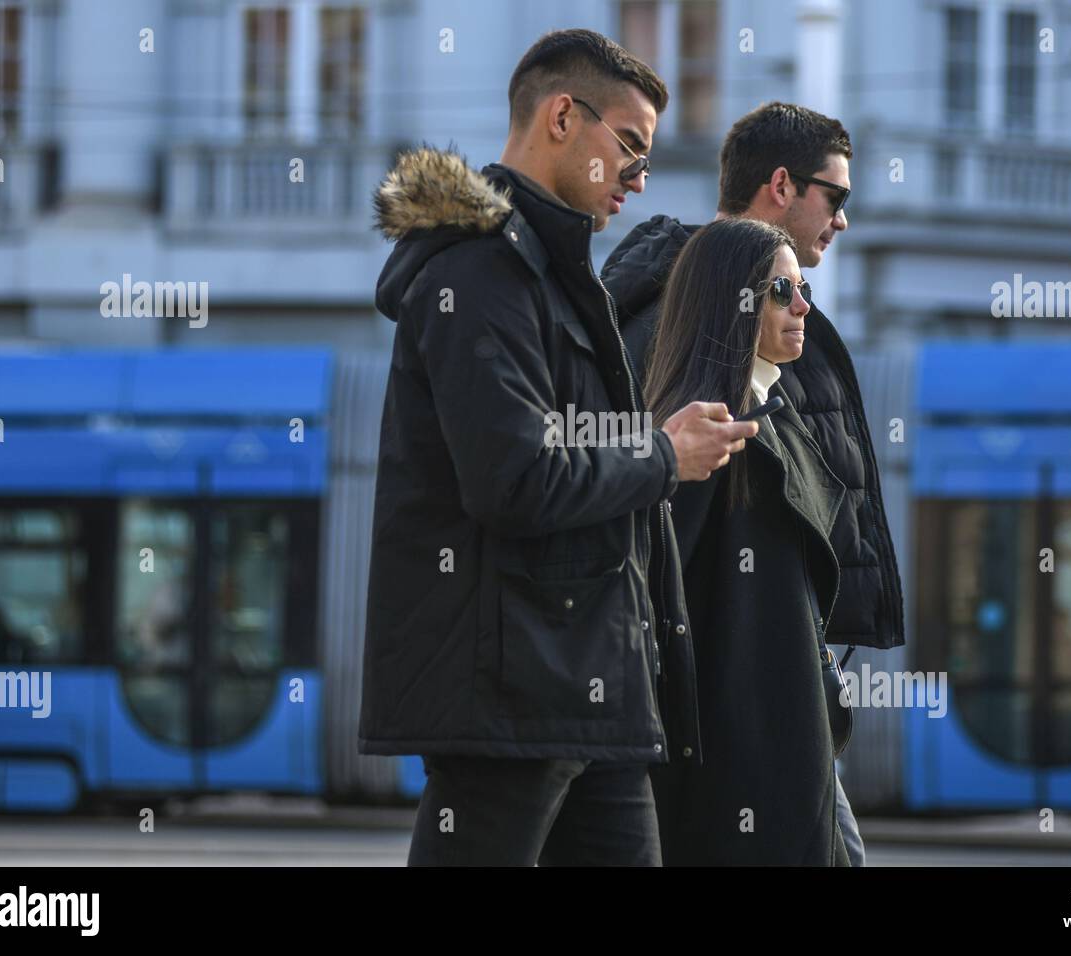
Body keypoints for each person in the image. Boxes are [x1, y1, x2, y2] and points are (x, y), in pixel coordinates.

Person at [358, 28, 757, 866]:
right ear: (563, 116)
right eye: (631, 148)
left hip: (585, 683)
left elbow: (571, 447)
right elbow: (514, 477)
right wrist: (663, 454)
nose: (641, 178)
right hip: (512, 691)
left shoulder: (552, 276)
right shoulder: (479, 275)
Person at [602, 101, 906, 866]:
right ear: (781, 184)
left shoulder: (772, 330)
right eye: (834, 197)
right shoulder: (674, 337)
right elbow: (654, 561)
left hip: (783, 683)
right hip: (736, 705)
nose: (841, 221)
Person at [641, 216, 848, 865]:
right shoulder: (706, 437)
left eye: (802, 288)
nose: (803, 306)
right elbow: (654, 608)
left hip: (783, 751)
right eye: (781, 291)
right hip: (733, 770)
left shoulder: (772, 420)